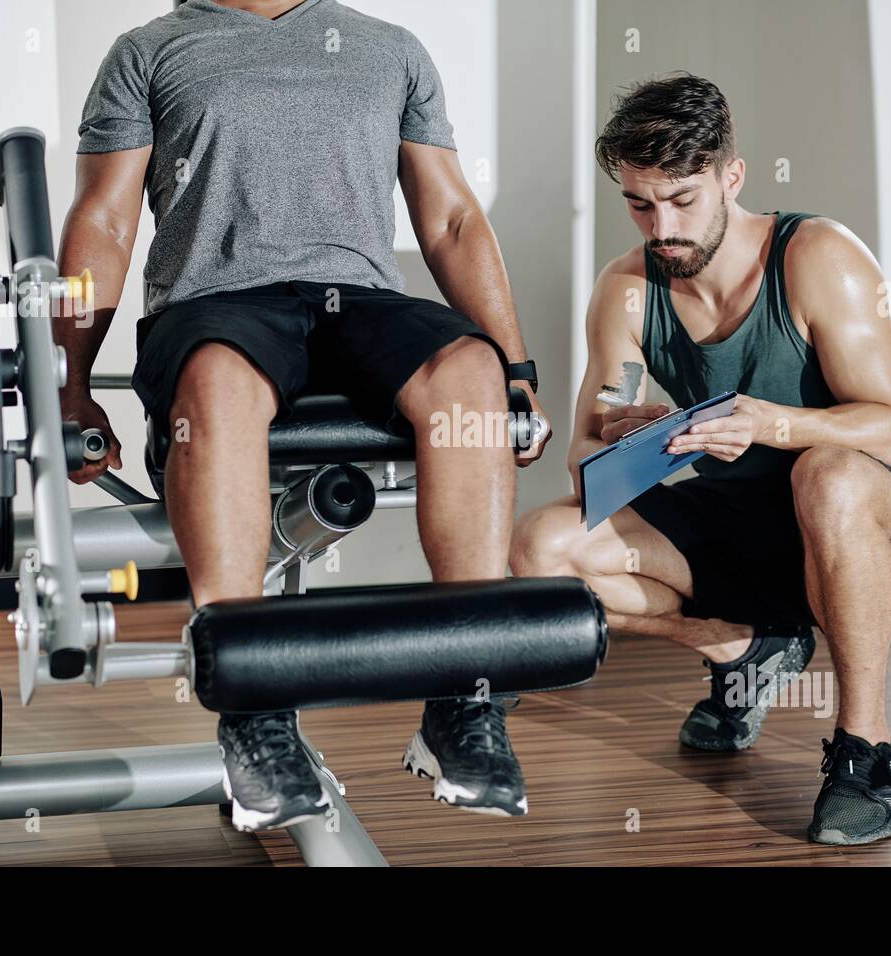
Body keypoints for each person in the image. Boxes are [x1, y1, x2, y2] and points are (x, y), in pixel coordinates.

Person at [56, 0, 550, 830]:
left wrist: (517, 366)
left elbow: (453, 217)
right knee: (217, 378)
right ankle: (252, 709)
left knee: (470, 369)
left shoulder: (391, 49)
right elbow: (104, 217)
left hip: (360, 302)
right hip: (218, 306)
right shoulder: (149, 52)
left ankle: (465, 697)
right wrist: (68, 381)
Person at [510, 74, 891, 846]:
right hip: (736, 534)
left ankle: (866, 754)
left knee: (828, 473)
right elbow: (582, 456)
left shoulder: (817, 257)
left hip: (860, 534)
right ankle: (744, 646)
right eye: (640, 204)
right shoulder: (627, 291)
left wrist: (772, 424)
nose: (661, 226)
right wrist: (633, 437)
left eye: (682, 200)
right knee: (539, 547)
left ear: (731, 178)